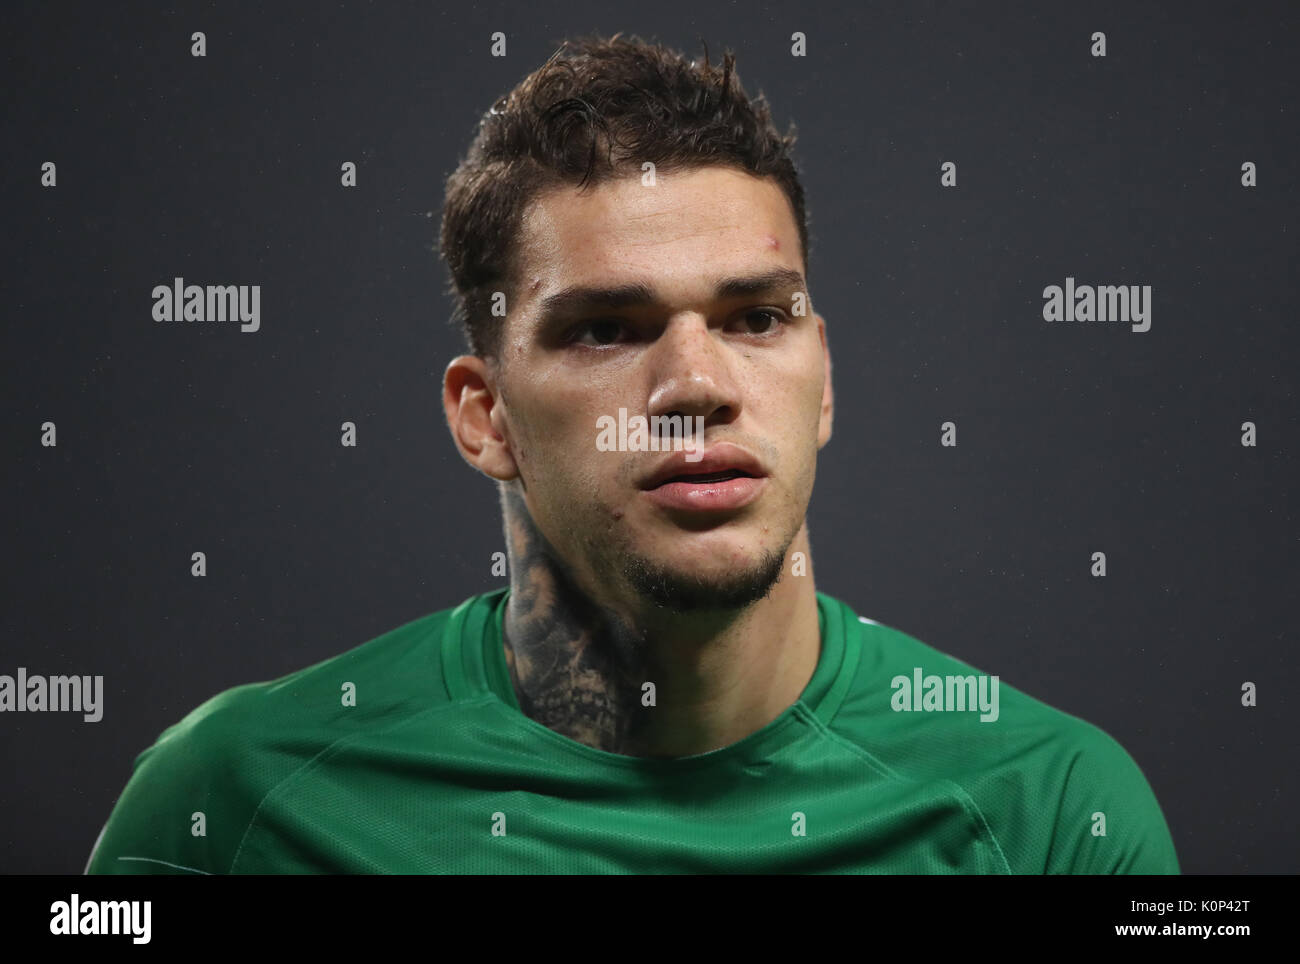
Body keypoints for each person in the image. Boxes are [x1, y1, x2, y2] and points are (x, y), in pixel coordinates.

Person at [86, 33, 1178, 874]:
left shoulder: (1051, 810)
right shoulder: (232, 801)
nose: (697, 385)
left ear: (825, 379)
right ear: (486, 417)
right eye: (605, 328)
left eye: (756, 318)